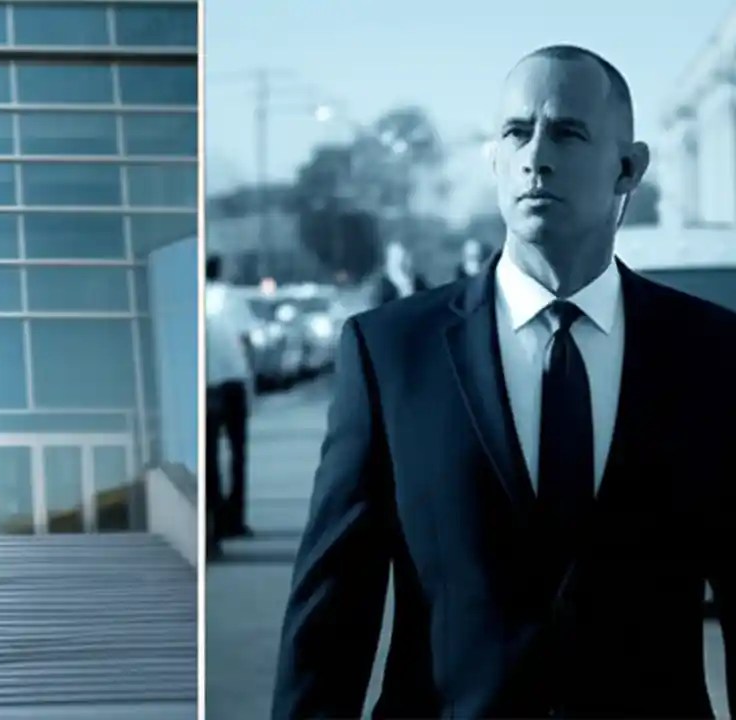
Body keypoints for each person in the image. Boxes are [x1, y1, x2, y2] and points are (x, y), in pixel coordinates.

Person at [273, 44, 736, 718]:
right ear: (494, 157)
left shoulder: (712, 355)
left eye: (568, 132)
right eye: (517, 131)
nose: (535, 154)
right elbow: (331, 620)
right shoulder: (391, 354)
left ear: (628, 168)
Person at [205, 255, 254, 555]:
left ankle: (216, 522)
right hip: (232, 380)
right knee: (237, 454)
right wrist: (252, 379)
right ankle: (234, 518)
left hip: (208, 383)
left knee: (211, 458)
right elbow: (245, 337)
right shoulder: (229, 297)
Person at [373, 241, 429, 305]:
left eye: (406, 257)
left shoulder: (417, 280)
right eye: (397, 260)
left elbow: (430, 298)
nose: (406, 262)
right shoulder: (384, 289)